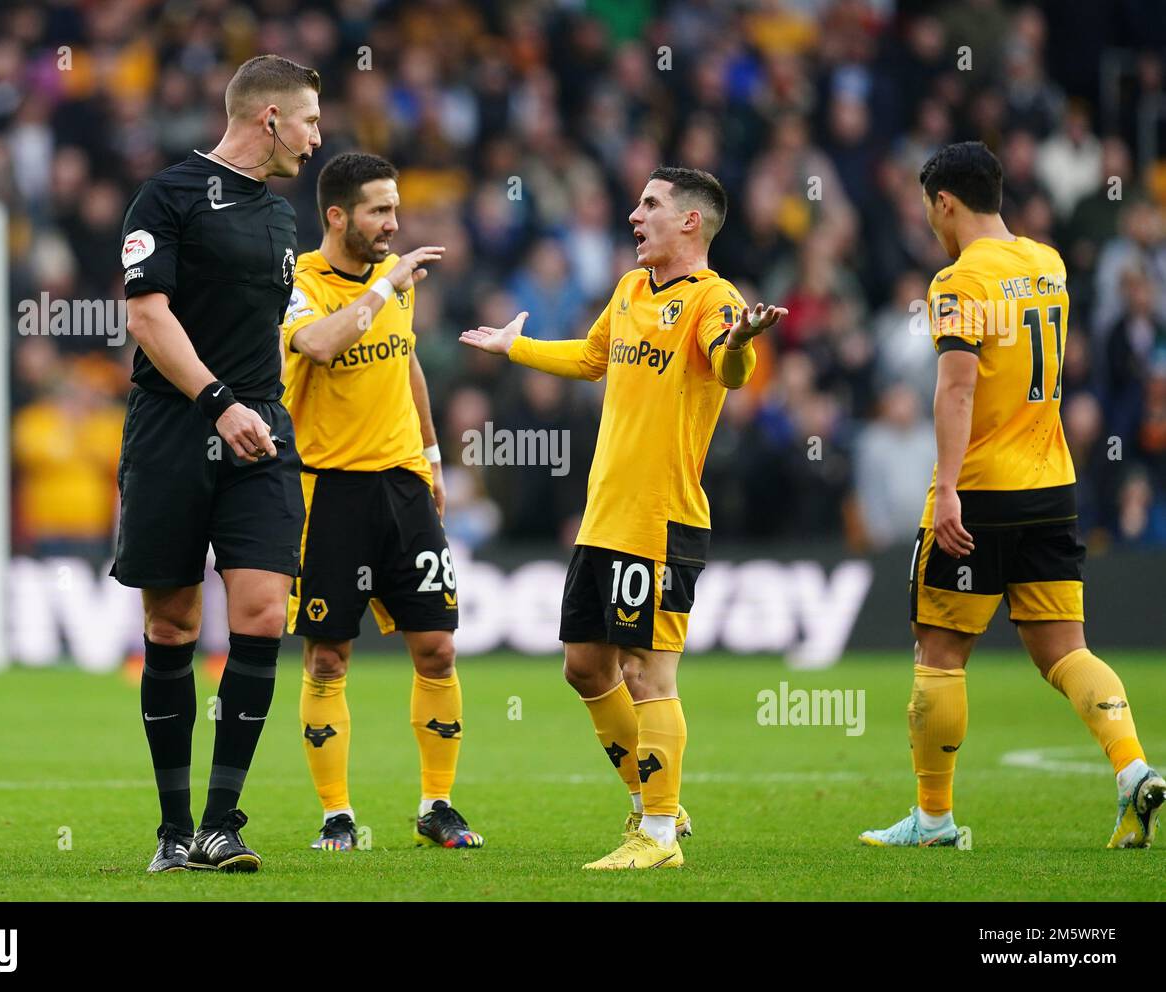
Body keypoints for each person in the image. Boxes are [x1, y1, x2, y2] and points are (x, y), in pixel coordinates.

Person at [460, 166, 786, 868]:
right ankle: (654, 793)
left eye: (651, 205)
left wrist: (739, 345)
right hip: (604, 517)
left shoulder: (714, 299)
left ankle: (658, 832)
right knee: (584, 668)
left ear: (690, 222)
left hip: (662, 519)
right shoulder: (632, 289)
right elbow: (589, 358)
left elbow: (729, 370)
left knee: (648, 675)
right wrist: (513, 346)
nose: (635, 216)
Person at [861, 141, 1164, 850]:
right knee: (1065, 650)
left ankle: (933, 820)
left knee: (938, 654)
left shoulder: (958, 281)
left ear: (945, 202)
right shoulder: (1047, 264)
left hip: (982, 490)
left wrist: (945, 492)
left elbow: (959, 387)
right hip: (1053, 485)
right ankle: (1132, 768)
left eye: (928, 208)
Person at [114, 55, 322, 873]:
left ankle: (219, 823)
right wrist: (216, 403)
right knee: (170, 626)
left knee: (265, 614)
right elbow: (146, 315)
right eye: (308, 119)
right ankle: (171, 833)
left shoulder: (280, 220)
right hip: (175, 427)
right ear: (268, 117)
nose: (316, 137)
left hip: (262, 432)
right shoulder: (166, 195)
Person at [280, 151, 483, 851]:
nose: (394, 225)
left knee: (437, 648)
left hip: (402, 485)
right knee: (329, 658)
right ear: (338, 216)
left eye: (396, 210)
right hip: (328, 488)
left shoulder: (396, 284)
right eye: (379, 211)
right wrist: (381, 290)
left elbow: (406, 360)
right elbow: (322, 346)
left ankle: (438, 805)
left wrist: (431, 456)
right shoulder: (300, 281)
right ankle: (337, 814)